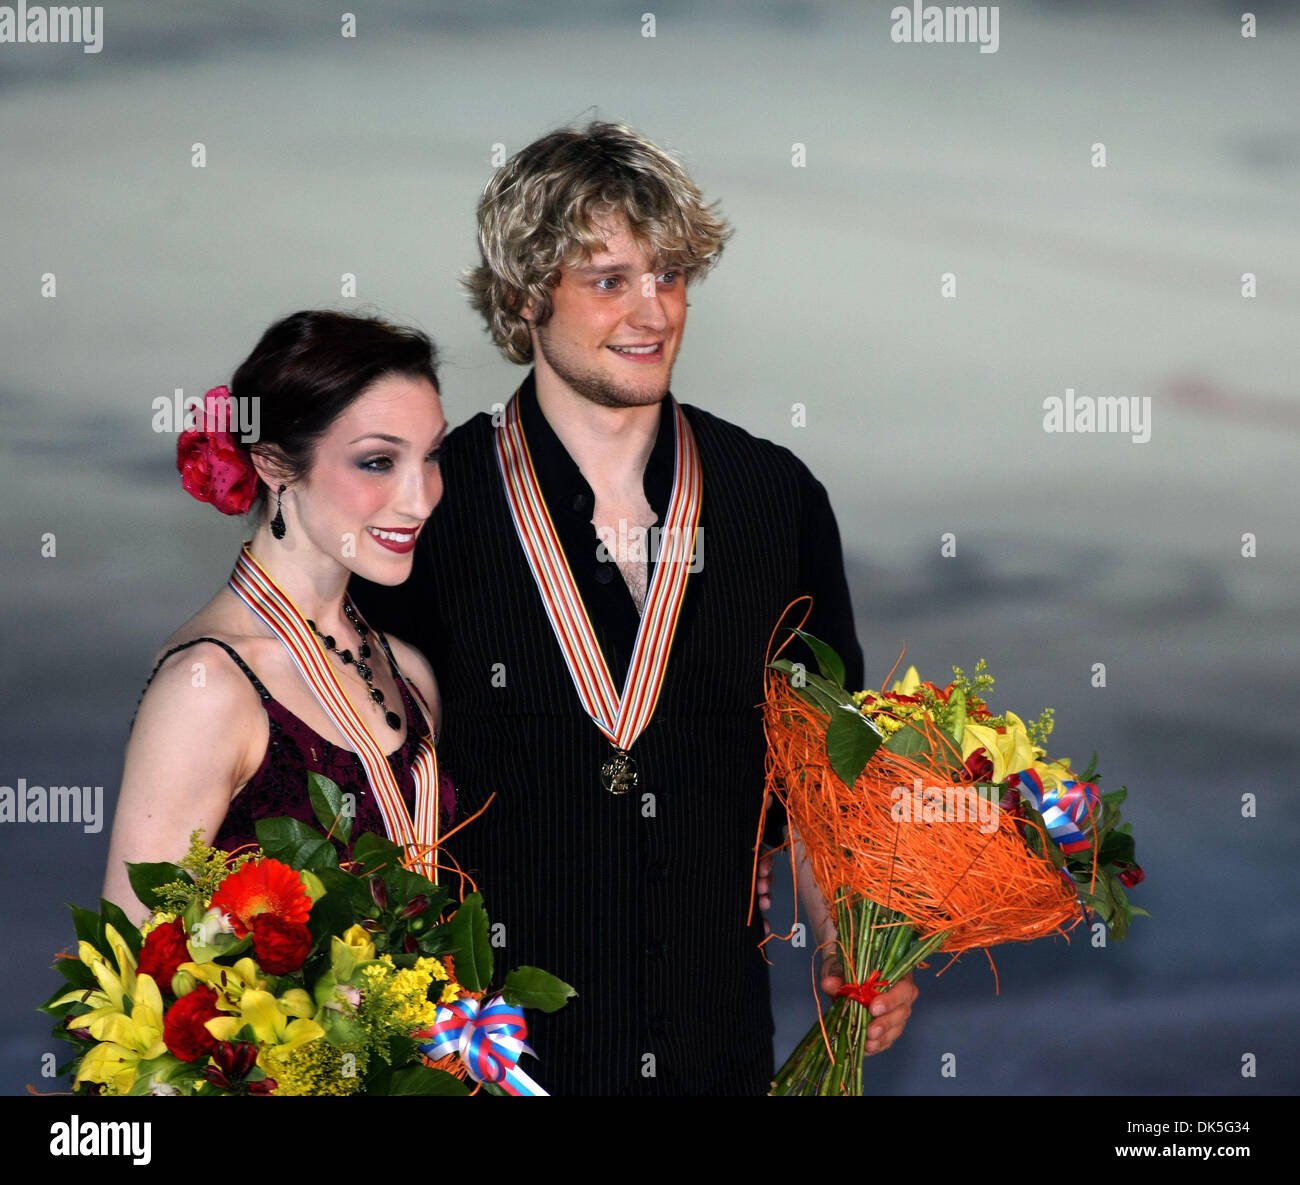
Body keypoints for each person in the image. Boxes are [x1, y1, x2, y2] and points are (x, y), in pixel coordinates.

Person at [349, 121, 917, 1095]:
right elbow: (367, 799)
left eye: (669, 275)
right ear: (527, 295)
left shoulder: (771, 501)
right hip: (489, 1070)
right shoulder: (423, 515)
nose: (651, 311)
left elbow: (825, 775)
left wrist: (847, 940)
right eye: (609, 280)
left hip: (717, 1056)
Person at [101, 310, 451, 921]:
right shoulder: (207, 687)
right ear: (272, 464)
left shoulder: (409, 673)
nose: (421, 498)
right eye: (377, 462)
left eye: (431, 456)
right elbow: (124, 987)